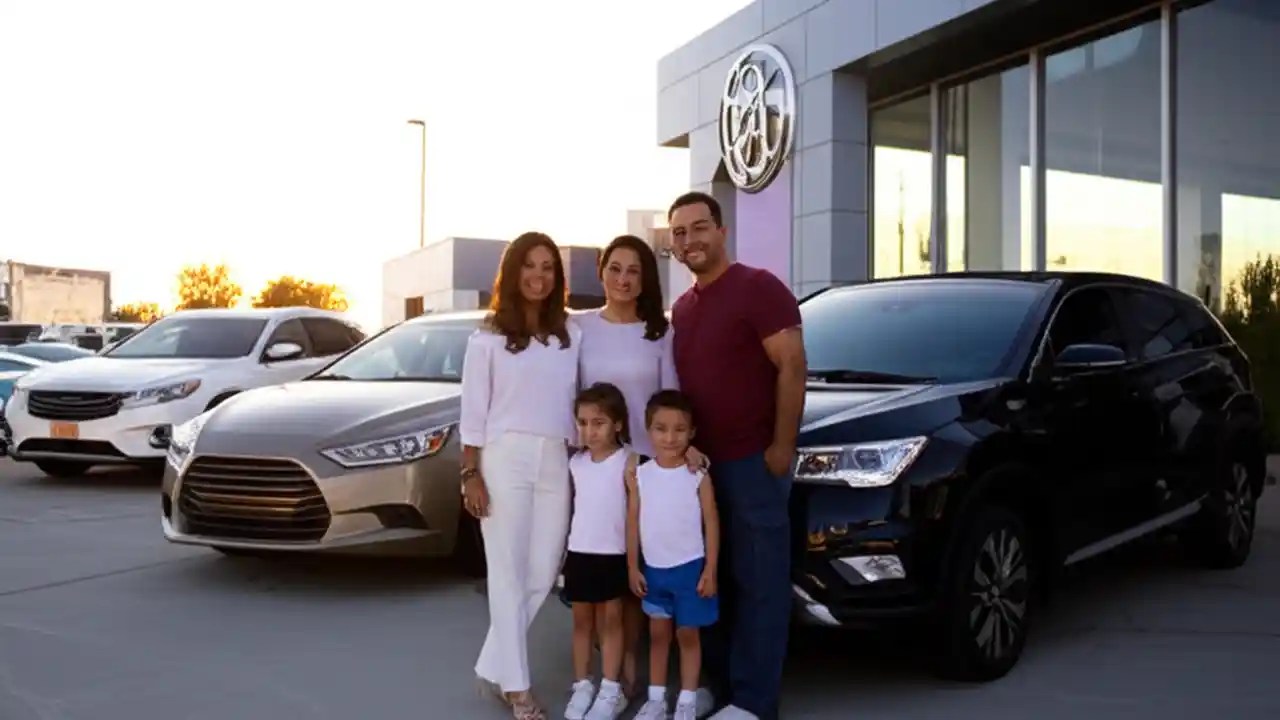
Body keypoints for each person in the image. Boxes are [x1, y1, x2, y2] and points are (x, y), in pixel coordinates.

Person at [667, 191, 807, 720]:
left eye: (699, 227)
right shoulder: (683, 309)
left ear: (721, 232)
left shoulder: (758, 288)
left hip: (752, 461)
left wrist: (781, 446)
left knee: (761, 584)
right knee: (713, 580)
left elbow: (792, 365)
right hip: (700, 470)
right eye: (679, 233)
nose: (690, 240)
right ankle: (721, 687)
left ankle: (753, 702)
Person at [460, 231, 581, 720]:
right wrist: (470, 473)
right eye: (530, 266)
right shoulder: (486, 337)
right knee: (507, 575)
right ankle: (518, 689)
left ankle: (494, 663)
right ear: (513, 274)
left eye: (548, 267)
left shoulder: (573, 333)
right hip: (503, 458)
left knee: (544, 570)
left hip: (556, 457)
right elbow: (472, 411)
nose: (539, 275)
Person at [628, 390, 720, 720]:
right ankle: (656, 700)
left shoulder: (698, 474)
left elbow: (711, 522)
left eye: (679, 429)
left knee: (688, 635)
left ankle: (687, 700)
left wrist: (711, 568)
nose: (670, 438)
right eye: (661, 428)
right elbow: (632, 522)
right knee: (657, 635)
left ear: (692, 433)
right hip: (654, 570)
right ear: (648, 429)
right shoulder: (640, 475)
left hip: (690, 569)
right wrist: (632, 567)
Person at [562, 382, 633, 720]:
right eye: (583, 422)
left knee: (611, 622)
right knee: (581, 623)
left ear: (618, 424)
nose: (589, 431)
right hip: (579, 551)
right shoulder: (576, 463)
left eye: (598, 422)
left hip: (613, 553)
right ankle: (582, 685)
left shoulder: (629, 461)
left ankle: (610, 688)